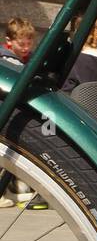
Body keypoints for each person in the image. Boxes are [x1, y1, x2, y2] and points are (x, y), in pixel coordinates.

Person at [1, 18, 46, 209]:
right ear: (9, 40)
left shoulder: (27, 59)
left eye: (29, 43)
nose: (26, 47)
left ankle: (12, 188)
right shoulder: (5, 60)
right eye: (22, 43)